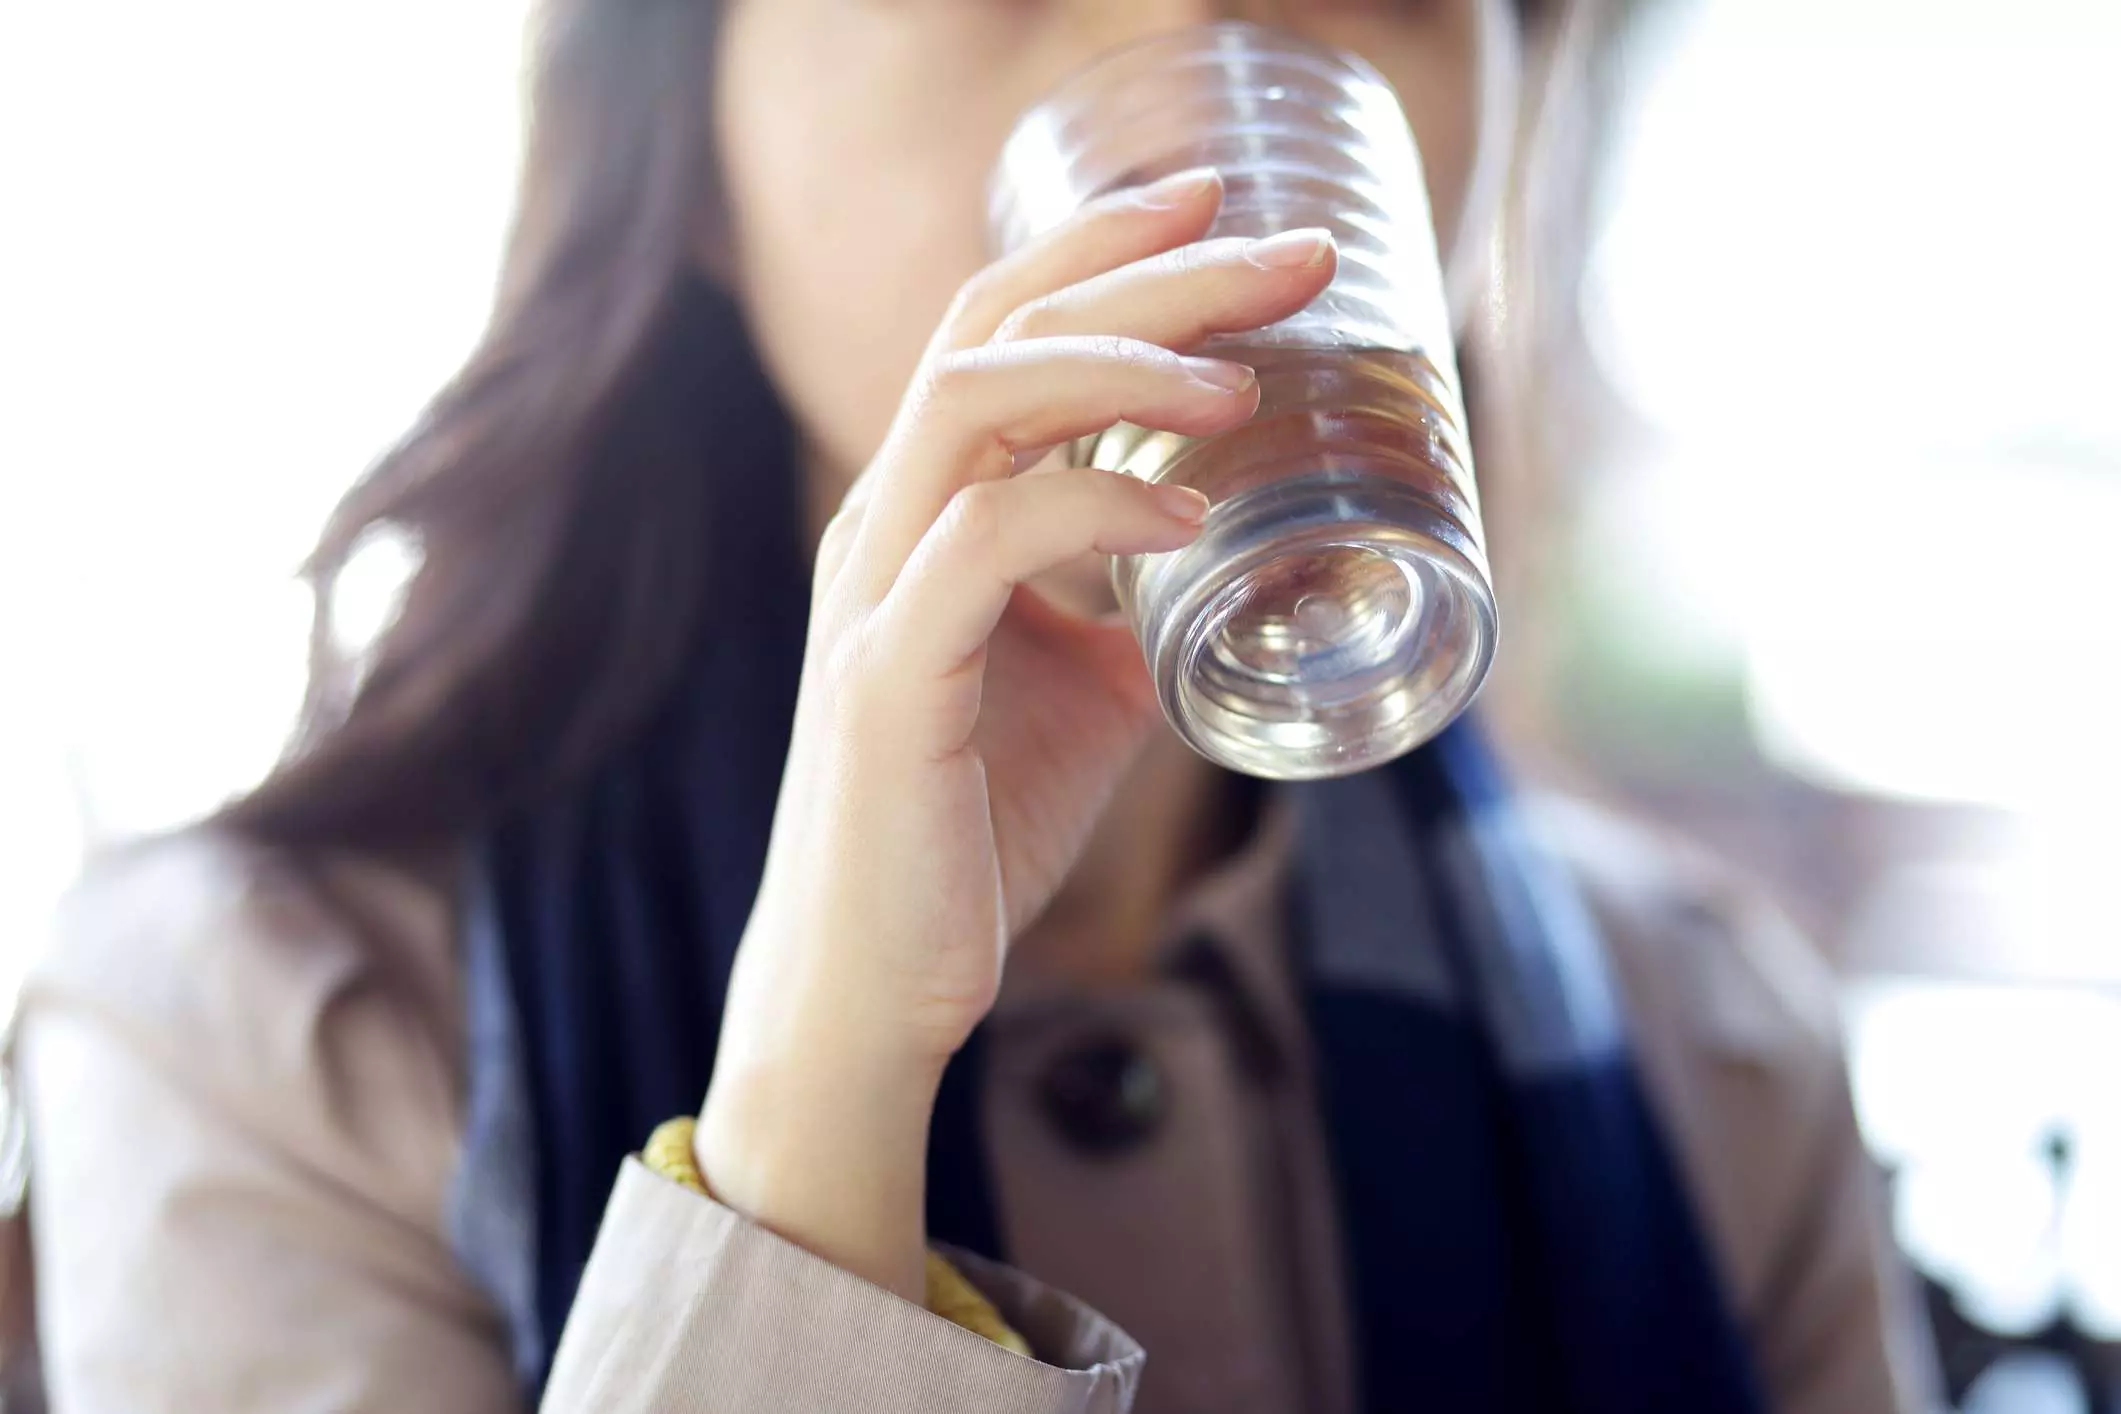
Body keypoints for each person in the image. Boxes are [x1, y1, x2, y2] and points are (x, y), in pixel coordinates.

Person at [8, 1, 1939, 1411]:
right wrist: (826, 1095)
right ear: (681, 140)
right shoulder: (265, 1028)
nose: (1203, 50)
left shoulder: (1716, 1050)